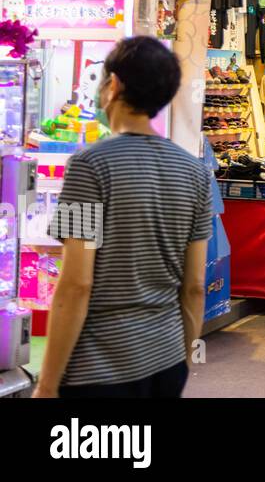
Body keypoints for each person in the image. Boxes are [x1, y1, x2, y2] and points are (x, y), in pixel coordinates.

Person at [35, 36, 211, 398]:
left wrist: (47, 385)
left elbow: (75, 285)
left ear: (113, 85)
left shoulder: (88, 166)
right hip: (166, 360)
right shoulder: (194, 173)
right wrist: (186, 360)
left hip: (97, 368)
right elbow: (194, 286)